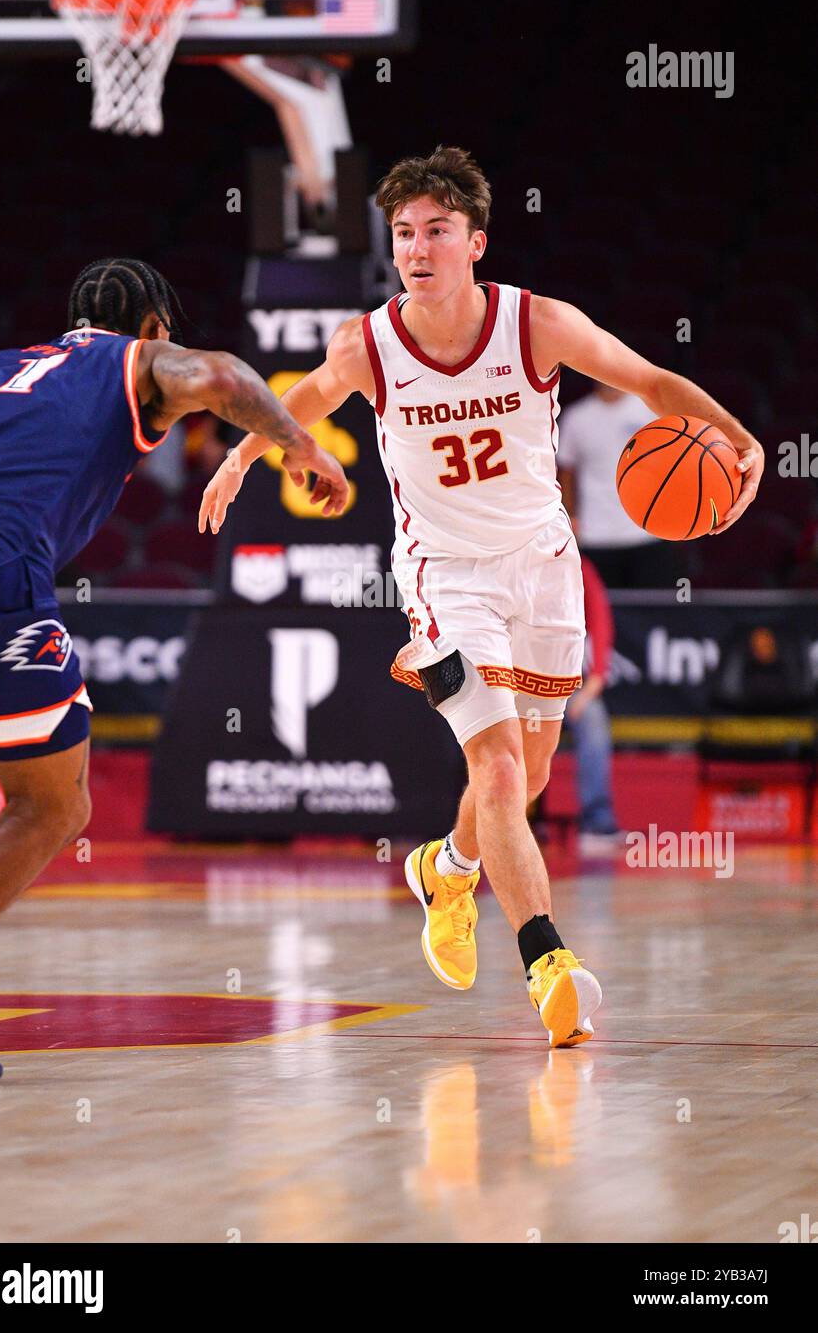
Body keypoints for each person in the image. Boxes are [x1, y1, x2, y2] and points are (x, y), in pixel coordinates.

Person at [199, 147, 764, 1048]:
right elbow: (295, 403)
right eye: (403, 235)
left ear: (476, 243)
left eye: (435, 232)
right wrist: (237, 459)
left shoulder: (537, 326)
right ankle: (549, 964)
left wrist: (740, 440)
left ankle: (447, 866)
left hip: (543, 568)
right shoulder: (370, 344)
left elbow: (654, 383)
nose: (417, 249)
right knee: (499, 771)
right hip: (444, 578)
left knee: (531, 778)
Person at [0, 257, 349, 1084]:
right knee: (49, 805)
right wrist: (300, 445)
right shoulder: (128, 363)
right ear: (155, 327)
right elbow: (223, 376)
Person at [557, 381, 678, 587]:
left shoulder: (650, 412)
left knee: (650, 613)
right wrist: (570, 519)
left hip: (645, 534)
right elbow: (566, 473)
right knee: (600, 615)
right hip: (595, 535)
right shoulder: (577, 418)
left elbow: (672, 465)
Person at [566, 557, 623, 855]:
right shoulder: (515, 557)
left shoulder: (580, 567)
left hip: (568, 685)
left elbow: (600, 621)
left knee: (593, 717)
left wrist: (596, 681)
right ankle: (505, 824)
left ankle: (597, 822)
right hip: (520, 682)